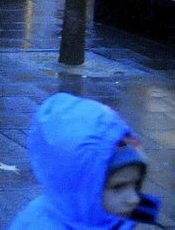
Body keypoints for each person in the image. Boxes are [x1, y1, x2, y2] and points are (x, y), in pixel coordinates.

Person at [9, 93, 162, 229]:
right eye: (118, 187)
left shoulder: (112, 217)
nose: (134, 199)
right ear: (76, 185)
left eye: (136, 185)